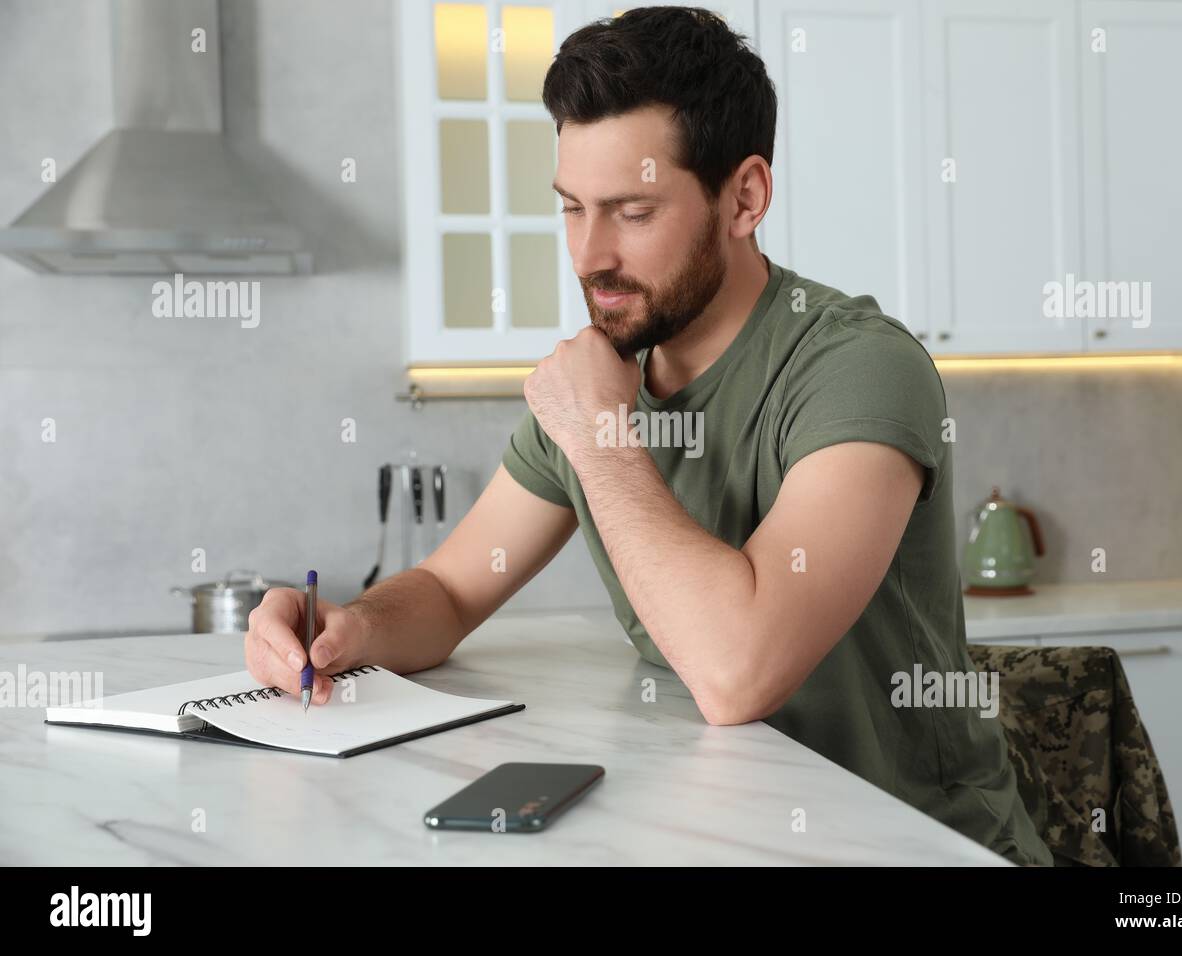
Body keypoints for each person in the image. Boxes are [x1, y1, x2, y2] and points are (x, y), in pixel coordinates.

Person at [245, 6, 1052, 867]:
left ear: (744, 197)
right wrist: (348, 628)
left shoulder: (857, 367)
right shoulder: (604, 374)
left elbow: (739, 672)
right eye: (571, 209)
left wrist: (598, 434)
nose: (590, 255)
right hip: (729, 833)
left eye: (632, 211)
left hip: (913, 849)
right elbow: (449, 593)